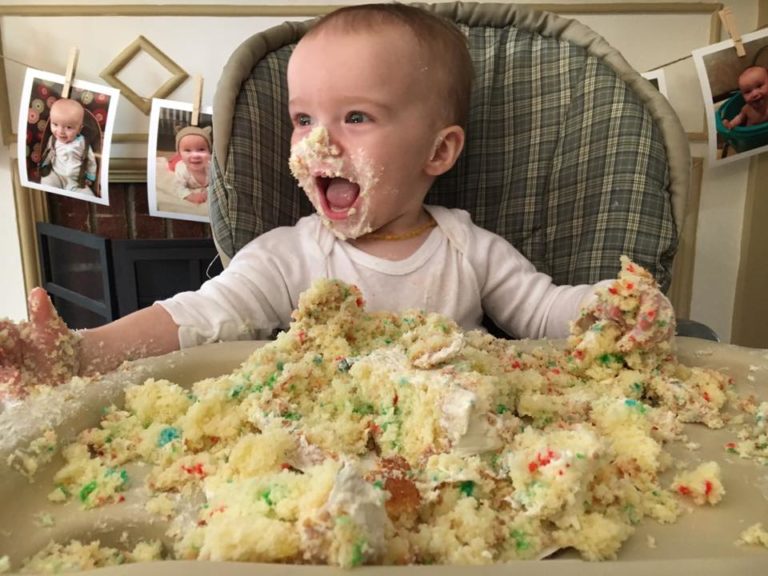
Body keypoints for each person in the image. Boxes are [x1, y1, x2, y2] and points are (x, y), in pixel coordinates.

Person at [0, 3, 673, 394]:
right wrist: (82, 354)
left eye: (356, 118)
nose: (318, 143)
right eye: (302, 120)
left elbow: (542, 311)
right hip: (320, 460)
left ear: (438, 153)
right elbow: (197, 316)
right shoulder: (290, 257)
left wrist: (606, 307)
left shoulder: (468, 248)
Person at [39, 98, 98, 195]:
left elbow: (91, 161)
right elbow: (49, 153)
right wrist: (44, 164)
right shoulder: (53, 139)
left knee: (89, 195)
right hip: (56, 174)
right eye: (55, 124)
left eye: (69, 127)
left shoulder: (82, 143)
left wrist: (90, 177)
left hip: (76, 180)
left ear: (79, 129)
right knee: (45, 182)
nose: (60, 131)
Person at [171, 125, 212, 205]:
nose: (195, 155)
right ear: (179, 153)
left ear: (209, 151)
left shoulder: (211, 167)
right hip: (179, 162)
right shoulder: (182, 170)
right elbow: (177, 187)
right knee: (172, 165)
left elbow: (217, 183)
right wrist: (190, 196)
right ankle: (174, 160)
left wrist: (207, 192)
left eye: (201, 149)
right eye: (188, 150)